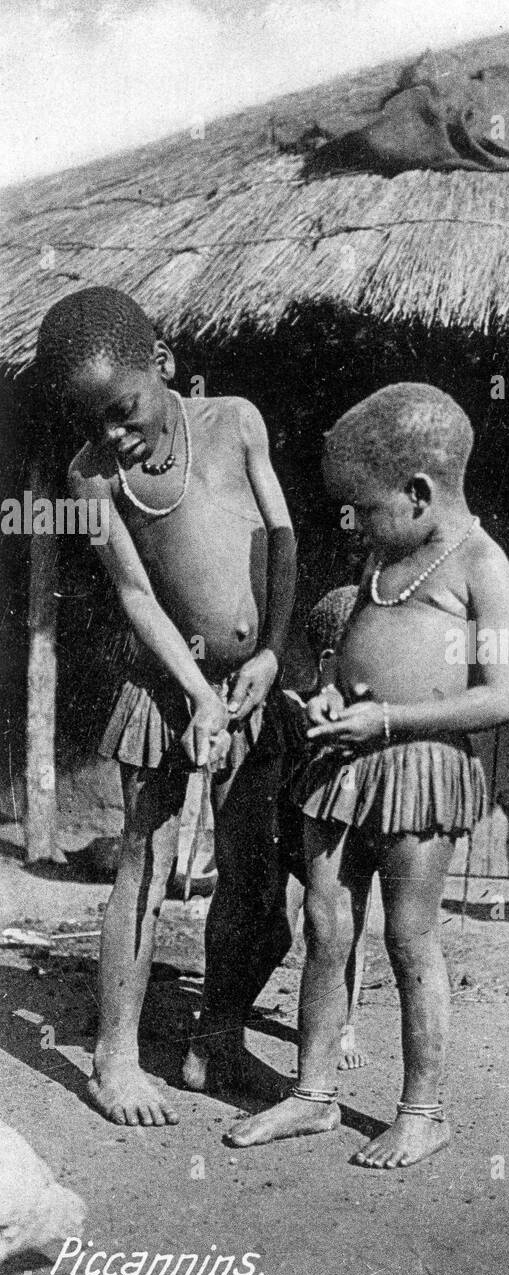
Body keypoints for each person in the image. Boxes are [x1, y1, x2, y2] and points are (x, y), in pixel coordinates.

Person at [227, 383, 509, 1166]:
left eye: (363, 506)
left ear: (419, 493)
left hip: (417, 771)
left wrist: (389, 721)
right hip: (344, 761)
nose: (352, 521)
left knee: (409, 938)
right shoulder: (382, 557)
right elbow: (366, 650)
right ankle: (314, 1095)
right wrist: (334, 698)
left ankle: (422, 1112)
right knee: (326, 926)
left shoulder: (482, 566)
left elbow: (504, 695)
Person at [36, 286, 297, 1126]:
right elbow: (137, 595)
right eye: (92, 422)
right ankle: (115, 1057)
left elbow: (282, 538)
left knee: (252, 874)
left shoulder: (236, 424)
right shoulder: (89, 477)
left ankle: (214, 1040)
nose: (113, 434)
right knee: (142, 868)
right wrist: (194, 693)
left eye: (123, 409)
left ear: (166, 367)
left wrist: (267, 655)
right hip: (162, 684)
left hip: (251, 685)